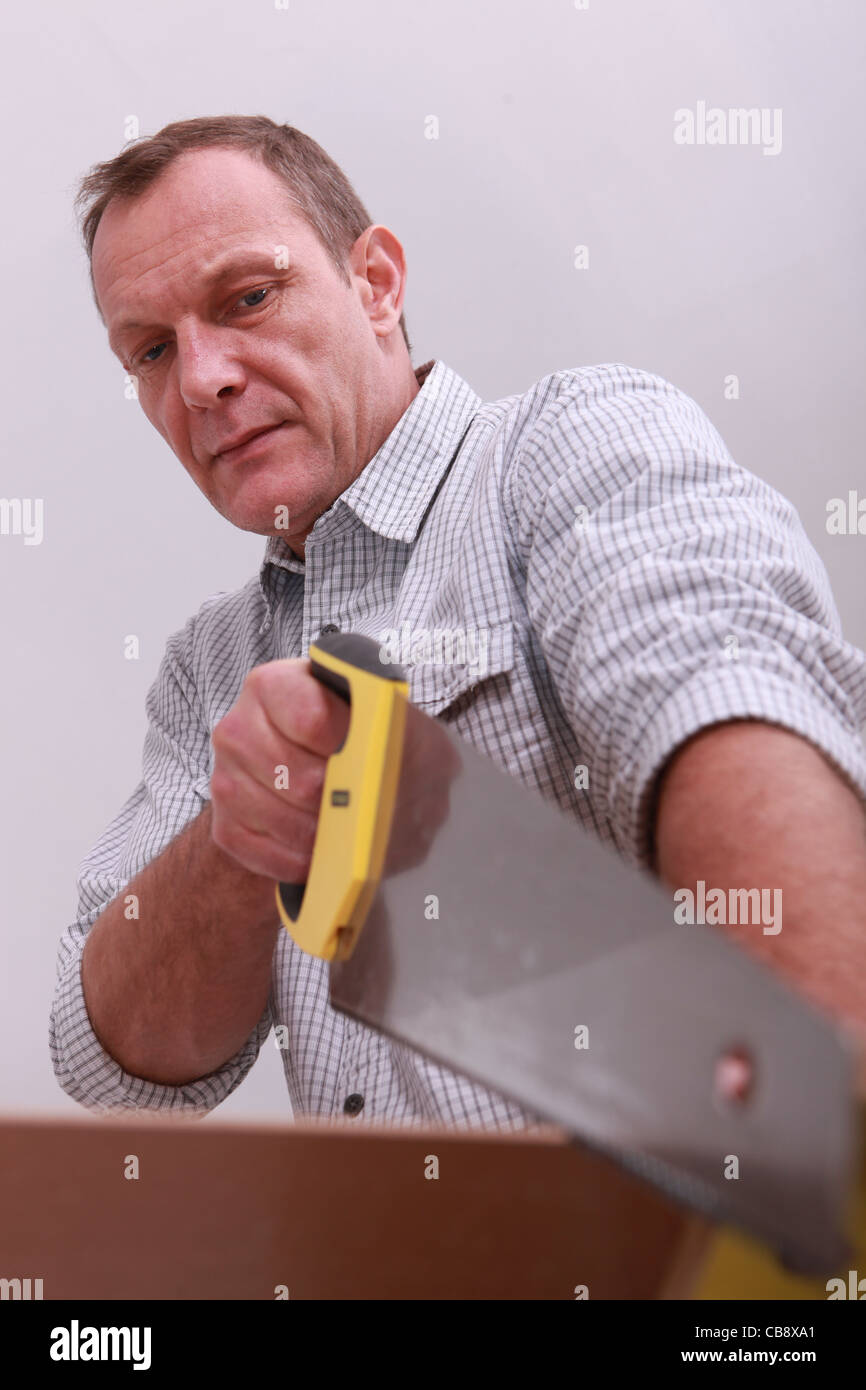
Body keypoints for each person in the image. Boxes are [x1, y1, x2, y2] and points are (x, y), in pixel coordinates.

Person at [51, 115, 866, 1126]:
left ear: (378, 282)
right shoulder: (205, 668)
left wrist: (812, 1175)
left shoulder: (569, 449)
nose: (203, 378)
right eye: (151, 349)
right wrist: (236, 837)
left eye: (248, 298)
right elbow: (111, 1062)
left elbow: (723, 692)